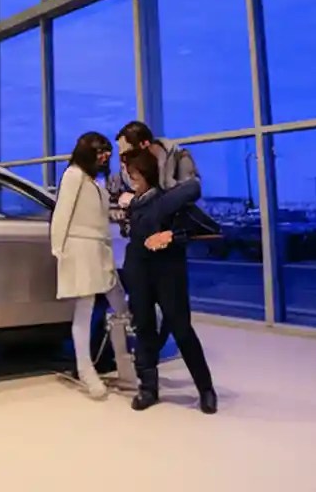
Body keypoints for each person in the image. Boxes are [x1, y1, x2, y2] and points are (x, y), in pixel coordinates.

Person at [122, 148, 218, 414]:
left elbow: (197, 228)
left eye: (135, 175)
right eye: (129, 175)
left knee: (181, 328)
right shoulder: (132, 203)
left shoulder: (168, 200)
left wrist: (171, 237)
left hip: (168, 270)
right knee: (143, 327)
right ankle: (148, 388)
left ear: (149, 174)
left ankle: (206, 389)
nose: (132, 181)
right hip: (139, 270)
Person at [51, 132, 135, 400]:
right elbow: (62, 213)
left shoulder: (92, 180)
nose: (104, 157)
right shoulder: (74, 175)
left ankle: (125, 365)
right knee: (85, 308)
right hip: (81, 249)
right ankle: (86, 370)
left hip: (100, 249)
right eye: (101, 152)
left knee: (119, 303)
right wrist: (60, 250)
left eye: (106, 153)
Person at [113, 121, 201, 351]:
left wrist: (151, 205)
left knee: (179, 324)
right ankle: (148, 377)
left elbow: (193, 189)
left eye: (127, 153)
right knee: (143, 321)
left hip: (169, 247)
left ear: (144, 144)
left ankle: (203, 386)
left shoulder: (178, 157)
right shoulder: (131, 169)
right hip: (141, 251)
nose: (123, 161)